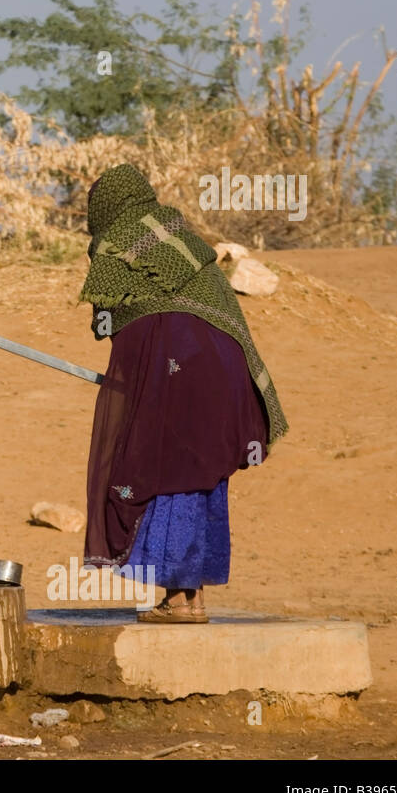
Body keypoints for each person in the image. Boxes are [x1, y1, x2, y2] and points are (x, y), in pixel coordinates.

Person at [79, 163, 288, 623]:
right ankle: (190, 599)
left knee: (167, 474)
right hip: (229, 378)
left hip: (181, 380)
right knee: (200, 477)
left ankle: (177, 600)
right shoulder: (185, 244)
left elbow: (108, 320)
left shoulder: (116, 243)